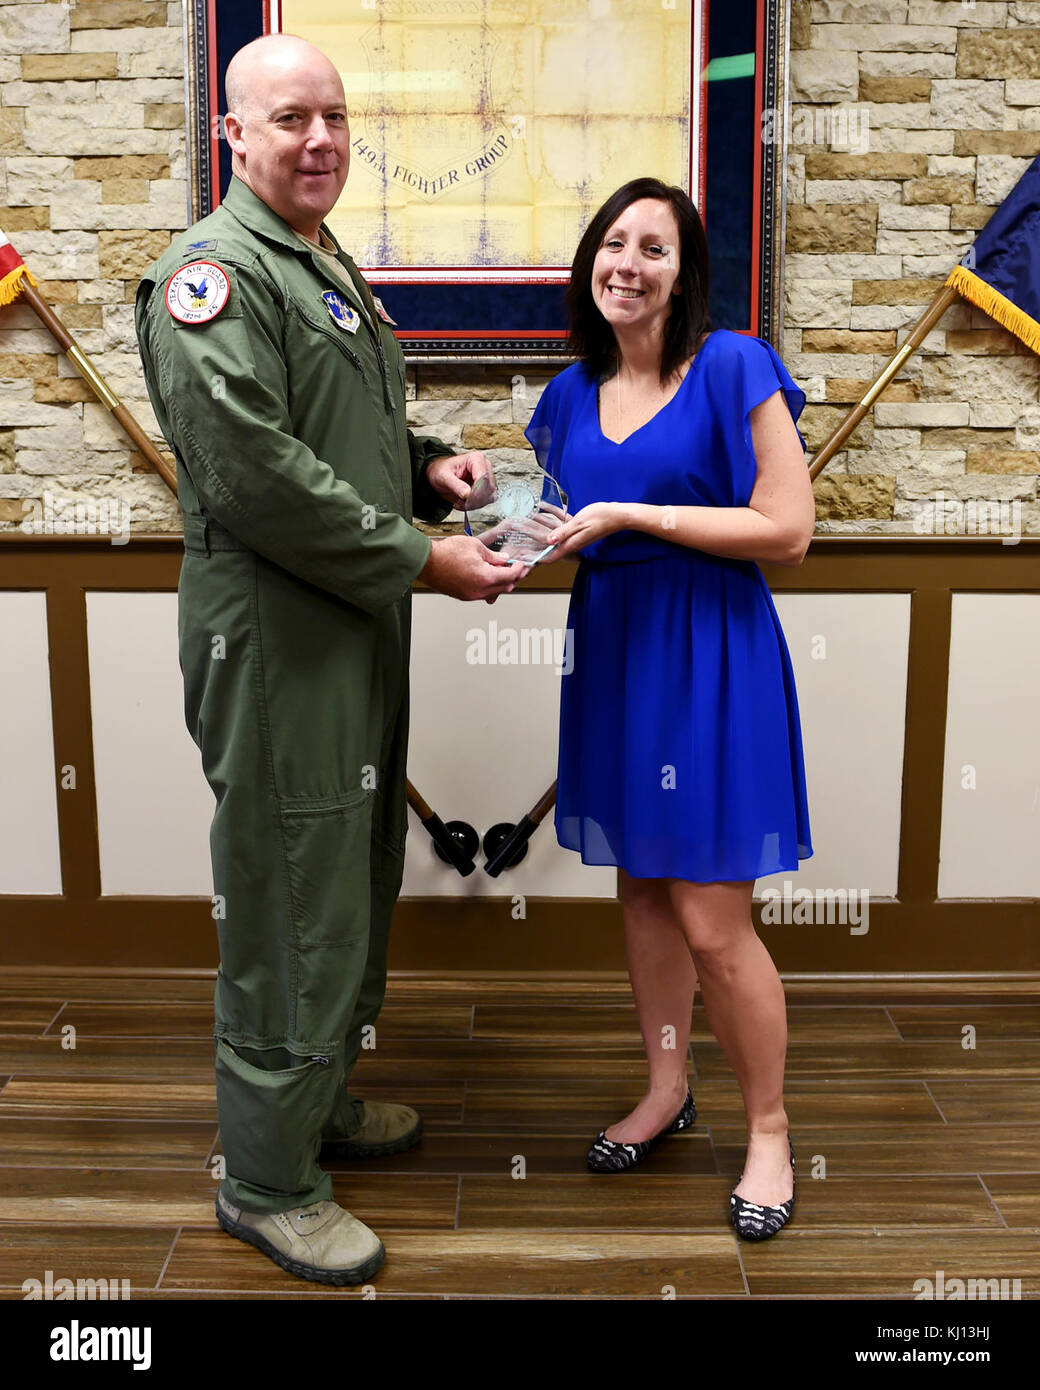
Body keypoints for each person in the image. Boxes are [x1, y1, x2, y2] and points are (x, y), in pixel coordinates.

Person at [134, 33, 523, 1285]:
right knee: (289, 894)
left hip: (346, 623)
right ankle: (265, 1178)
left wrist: (428, 467)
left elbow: (340, 423)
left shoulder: (315, 259)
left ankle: (319, 1103)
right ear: (232, 136)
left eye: (336, 116)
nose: (320, 139)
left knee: (347, 869)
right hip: (277, 637)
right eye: (290, 117)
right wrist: (423, 555)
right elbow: (254, 473)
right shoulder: (213, 275)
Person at [526, 177, 815, 1240]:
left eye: (653, 247)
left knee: (710, 917)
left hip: (711, 656)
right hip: (612, 654)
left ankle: (771, 1129)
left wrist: (637, 512)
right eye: (611, 243)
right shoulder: (565, 395)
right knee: (643, 895)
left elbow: (786, 529)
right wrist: (498, 527)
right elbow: (562, 520)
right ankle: (662, 1090)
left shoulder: (732, 363)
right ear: (587, 264)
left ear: (684, 272)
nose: (627, 263)